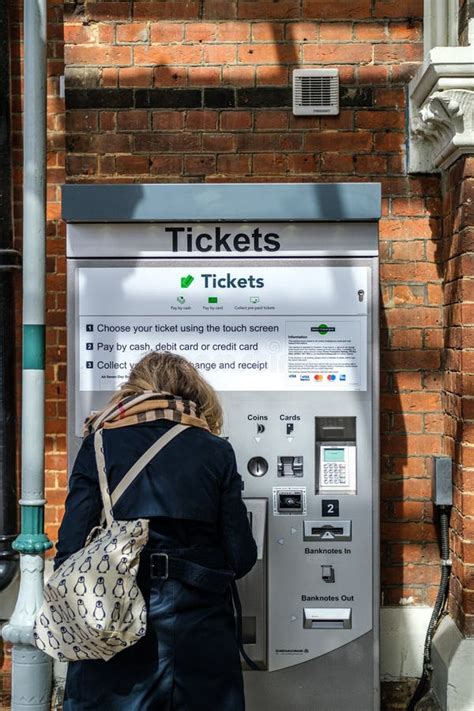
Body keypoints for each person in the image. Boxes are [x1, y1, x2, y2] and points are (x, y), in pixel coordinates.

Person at [55, 351, 257, 710]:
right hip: (198, 628)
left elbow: (69, 549)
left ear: (135, 389)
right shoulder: (216, 451)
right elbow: (241, 557)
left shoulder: (99, 444)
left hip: (112, 619)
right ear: (194, 394)